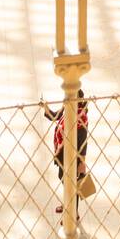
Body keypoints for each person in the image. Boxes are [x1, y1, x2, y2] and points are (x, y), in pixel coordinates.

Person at [42, 90, 89, 222]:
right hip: (63, 154)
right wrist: (45, 107)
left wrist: (82, 163)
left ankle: (73, 214)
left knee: (72, 184)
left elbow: (84, 143)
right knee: (65, 180)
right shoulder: (69, 109)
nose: (64, 100)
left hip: (73, 158)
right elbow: (55, 116)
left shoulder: (81, 118)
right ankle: (67, 205)